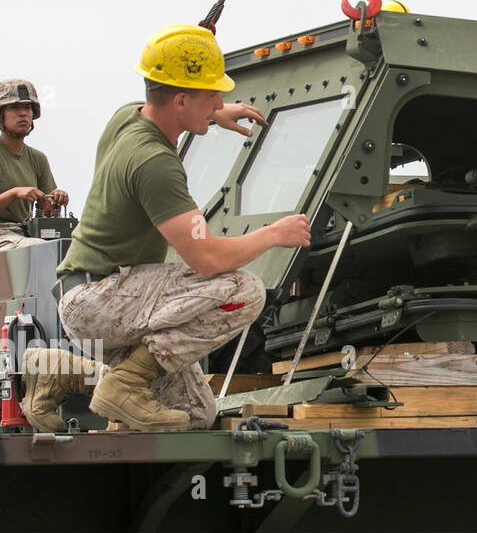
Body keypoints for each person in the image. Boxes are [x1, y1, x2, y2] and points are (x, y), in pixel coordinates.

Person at [55, 24, 312, 432]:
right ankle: (126, 382)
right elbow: (206, 259)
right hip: (99, 301)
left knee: (196, 417)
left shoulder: (127, 118)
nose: (220, 100)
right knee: (243, 289)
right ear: (180, 100)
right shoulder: (154, 163)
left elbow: (165, 100)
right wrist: (274, 234)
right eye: (212, 94)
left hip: (96, 300)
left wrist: (213, 113)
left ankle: (117, 411)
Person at [0, 79, 68, 251]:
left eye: (27, 107)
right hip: (4, 234)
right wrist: (15, 193)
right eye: (15, 107)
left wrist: (54, 200)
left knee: (78, 246)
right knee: (38, 248)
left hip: (29, 231)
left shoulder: (37, 158)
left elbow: (46, 211)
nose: (23, 113)